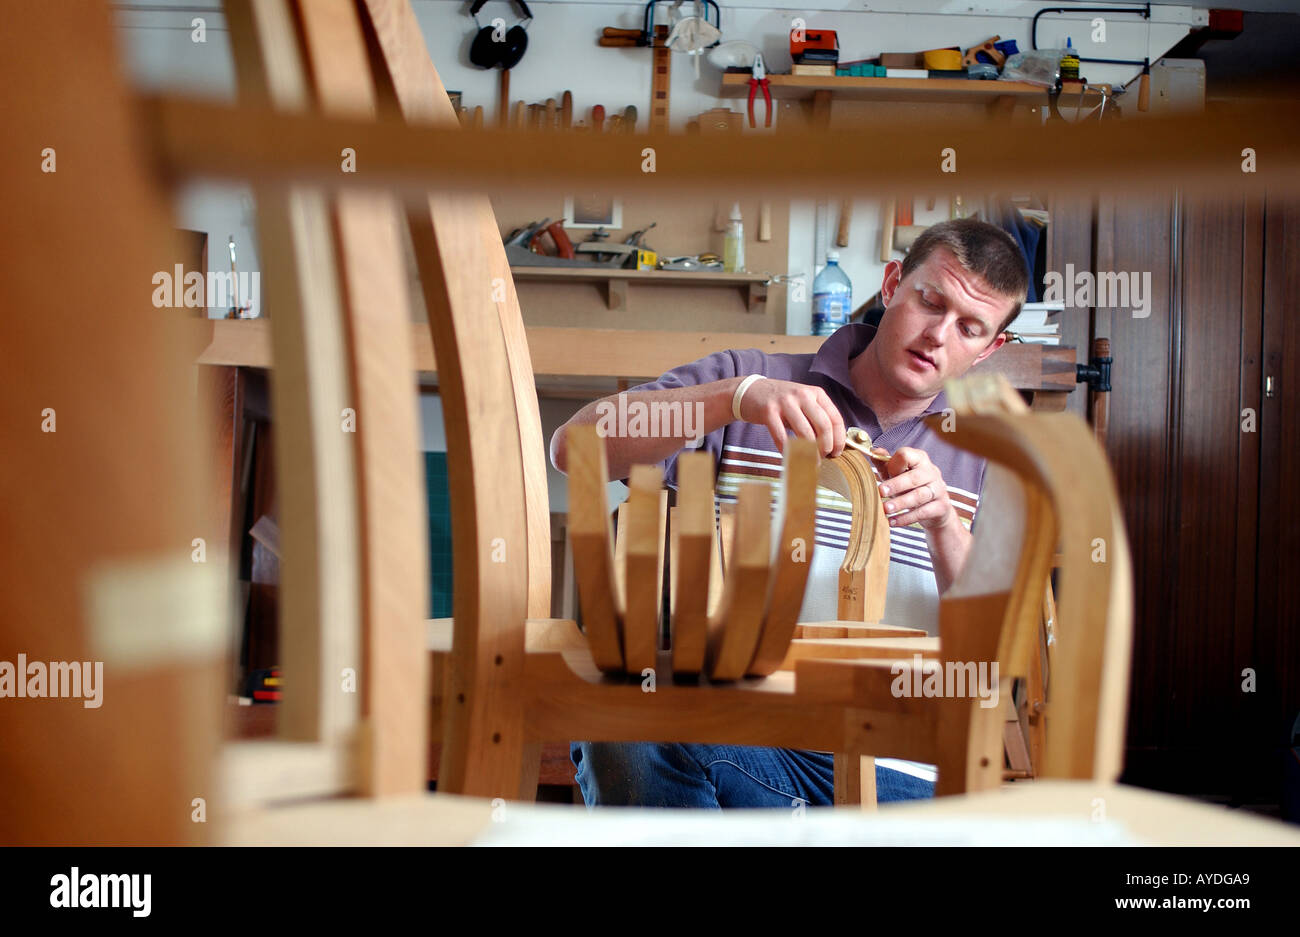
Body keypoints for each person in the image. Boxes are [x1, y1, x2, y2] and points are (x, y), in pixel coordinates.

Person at [549, 218, 1029, 808]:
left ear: (991, 348)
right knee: (622, 720)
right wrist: (733, 398)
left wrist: (946, 528)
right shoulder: (752, 383)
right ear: (891, 284)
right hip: (745, 738)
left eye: (969, 328)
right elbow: (575, 449)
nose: (937, 335)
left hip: (901, 769)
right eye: (930, 301)